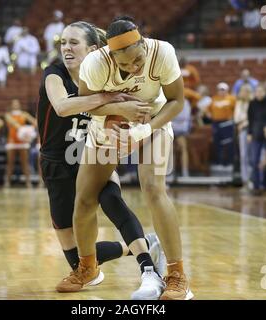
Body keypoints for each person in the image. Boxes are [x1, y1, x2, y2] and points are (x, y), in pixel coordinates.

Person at [60, 16, 194, 300]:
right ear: (111, 55)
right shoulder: (95, 63)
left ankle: (176, 274)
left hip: (153, 122)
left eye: (138, 60)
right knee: (85, 198)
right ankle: (87, 268)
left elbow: (176, 101)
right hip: (109, 126)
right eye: (125, 64)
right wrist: (118, 109)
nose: (134, 67)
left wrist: (144, 127)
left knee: (154, 188)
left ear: (144, 44)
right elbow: (89, 106)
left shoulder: (163, 52)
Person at [38, 21, 166, 299]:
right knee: (79, 261)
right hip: (57, 164)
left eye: (74, 43)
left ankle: (148, 267)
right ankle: (144, 244)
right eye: (63, 42)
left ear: (93, 49)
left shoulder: (106, 74)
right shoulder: (55, 74)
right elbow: (63, 107)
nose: (67, 48)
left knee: (112, 199)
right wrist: (106, 98)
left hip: (93, 153)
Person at [5, 99, 37, 188]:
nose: (16, 105)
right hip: (12, 141)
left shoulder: (24, 114)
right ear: (11, 105)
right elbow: (14, 124)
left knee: (25, 163)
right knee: (10, 163)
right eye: (14, 104)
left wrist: (30, 131)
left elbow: (35, 122)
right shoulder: (8, 115)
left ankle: (28, 182)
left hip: (23, 142)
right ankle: (7, 182)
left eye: (17, 103)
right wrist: (24, 130)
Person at [206, 82, 236, 169]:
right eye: (220, 90)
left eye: (223, 90)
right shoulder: (214, 99)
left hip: (227, 123)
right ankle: (219, 161)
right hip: (216, 123)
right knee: (217, 142)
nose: (221, 91)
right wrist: (209, 114)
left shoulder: (231, 99)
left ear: (227, 90)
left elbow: (236, 109)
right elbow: (207, 109)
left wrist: (232, 117)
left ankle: (228, 162)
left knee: (228, 142)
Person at [234, 84, 253, 188]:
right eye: (242, 91)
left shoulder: (253, 103)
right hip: (242, 131)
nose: (244, 93)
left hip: (251, 130)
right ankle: (245, 179)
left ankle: (252, 178)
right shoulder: (239, 103)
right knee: (243, 155)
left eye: (246, 91)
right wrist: (245, 120)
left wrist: (244, 121)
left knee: (251, 155)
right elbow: (237, 118)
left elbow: (252, 118)